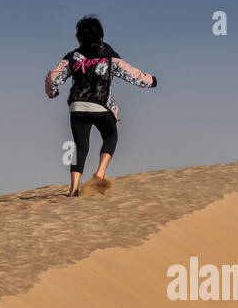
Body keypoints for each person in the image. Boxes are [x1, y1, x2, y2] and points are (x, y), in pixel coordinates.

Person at [45, 16, 157, 197]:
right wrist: (151, 81)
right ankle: (100, 173)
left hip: (77, 107)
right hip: (101, 106)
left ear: (79, 38)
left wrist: (52, 92)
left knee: (80, 147)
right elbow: (132, 74)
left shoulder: (72, 57)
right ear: (101, 37)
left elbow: (53, 77)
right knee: (111, 135)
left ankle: (73, 188)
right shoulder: (109, 56)